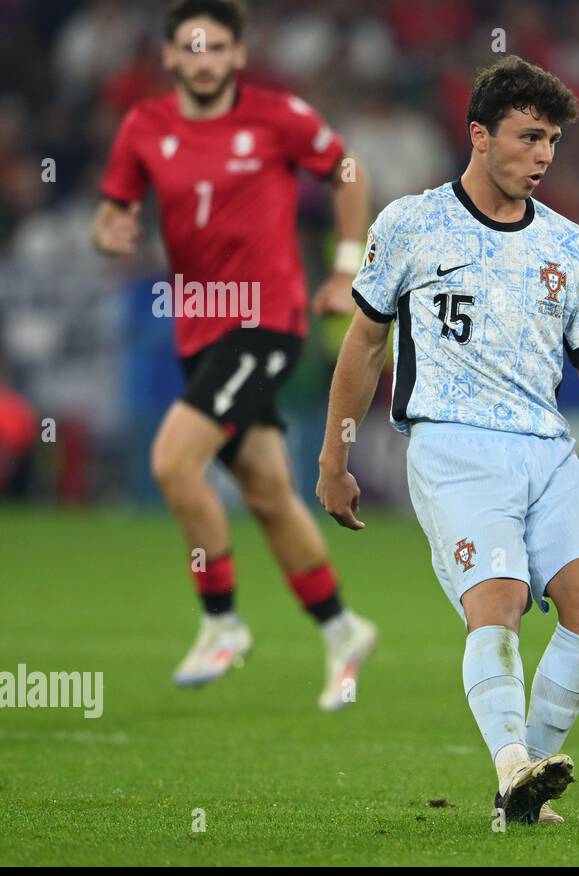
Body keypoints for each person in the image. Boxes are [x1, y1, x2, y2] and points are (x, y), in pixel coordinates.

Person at [317, 55, 579, 824]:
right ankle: (513, 761)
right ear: (480, 135)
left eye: (552, 139)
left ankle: (520, 785)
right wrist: (335, 458)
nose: (545, 155)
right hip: (454, 446)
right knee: (501, 601)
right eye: (528, 137)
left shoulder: (568, 245)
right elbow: (363, 345)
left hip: (546, 449)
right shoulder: (412, 223)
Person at [93, 0, 378, 709]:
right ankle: (343, 628)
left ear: (237, 55)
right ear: (170, 58)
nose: (204, 58)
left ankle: (222, 622)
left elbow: (347, 171)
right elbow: (114, 211)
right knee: (267, 492)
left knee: (171, 461)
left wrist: (346, 268)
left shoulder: (276, 116)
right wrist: (111, 233)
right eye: (191, 46)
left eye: (217, 45)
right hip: (199, 333)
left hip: (266, 323)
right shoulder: (143, 126)